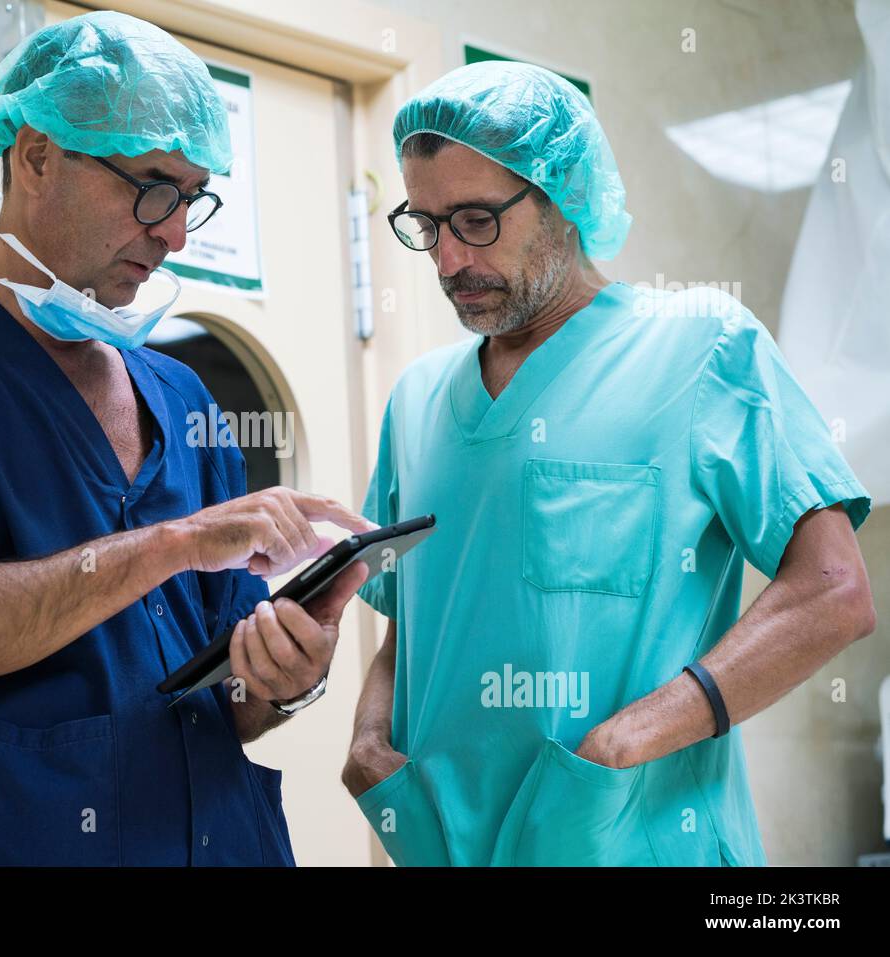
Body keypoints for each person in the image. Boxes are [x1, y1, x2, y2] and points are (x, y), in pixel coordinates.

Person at [0, 9, 370, 866]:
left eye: (193, 198)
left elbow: (232, 700)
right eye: (151, 185)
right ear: (37, 156)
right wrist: (173, 543)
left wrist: (285, 677)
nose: (174, 233)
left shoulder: (184, 398)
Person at [341, 60, 876, 866]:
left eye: (477, 220)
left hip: (633, 841)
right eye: (426, 224)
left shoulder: (701, 350)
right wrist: (367, 745)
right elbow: (407, 625)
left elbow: (833, 593)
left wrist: (623, 744)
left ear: (564, 195)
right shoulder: (416, 402)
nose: (448, 260)